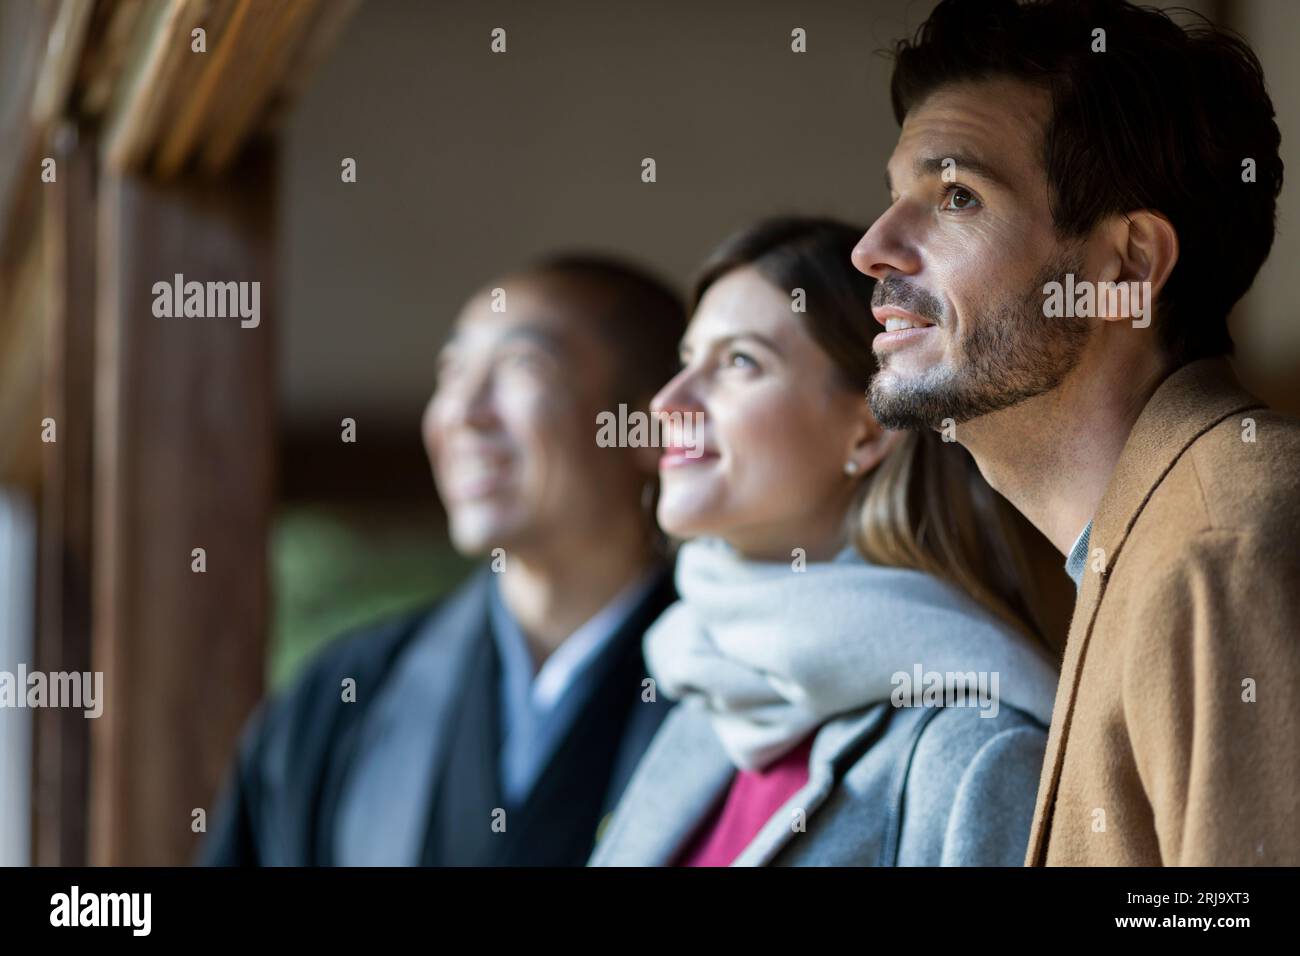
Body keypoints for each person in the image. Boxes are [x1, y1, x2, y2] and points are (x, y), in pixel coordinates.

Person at [854, 0, 1300, 865]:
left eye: (955, 196)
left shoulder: (1227, 550)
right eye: (892, 197)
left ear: (1126, 266)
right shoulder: (1149, 540)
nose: (873, 247)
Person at [589, 217, 1061, 867]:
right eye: (685, 361)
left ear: (869, 432)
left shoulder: (978, 750)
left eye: (739, 362)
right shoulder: (705, 680)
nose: (671, 402)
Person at [200, 254, 686, 865]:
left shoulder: (735, 689)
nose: (463, 413)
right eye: (452, 373)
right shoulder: (344, 697)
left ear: (646, 427)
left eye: (521, 367)